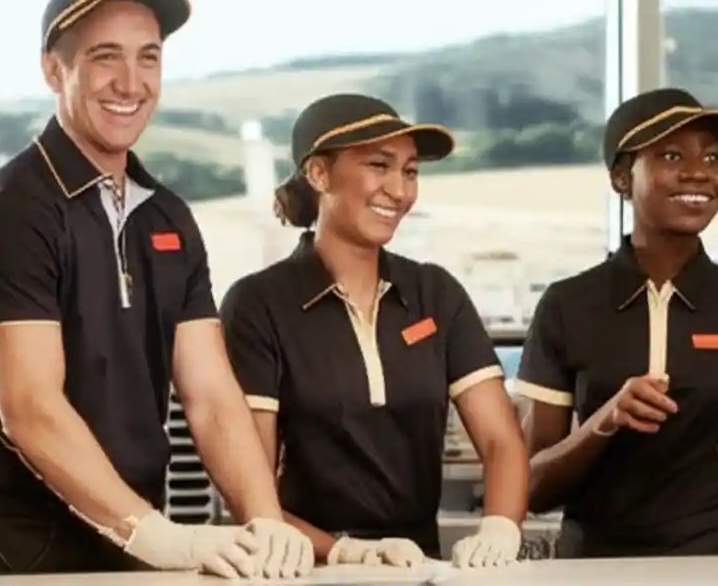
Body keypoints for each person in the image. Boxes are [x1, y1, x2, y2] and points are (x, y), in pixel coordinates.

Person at [0, 0, 313, 579]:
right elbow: (32, 407)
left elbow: (213, 397)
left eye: (149, 58)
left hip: (138, 547)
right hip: (31, 555)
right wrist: (153, 535)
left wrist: (265, 521)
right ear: (54, 71)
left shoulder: (166, 215)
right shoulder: (10, 211)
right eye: (104, 58)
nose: (130, 83)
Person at [221, 93, 530, 569]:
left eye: (409, 171)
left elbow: (501, 441)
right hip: (303, 568)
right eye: (378, 165)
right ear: (318, 174)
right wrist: (346, 552)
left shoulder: (436, 294)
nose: (399, 191)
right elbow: (249, 490)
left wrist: (501, 526)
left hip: (421, 569)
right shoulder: (259, 305)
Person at [516, 87, 718, 558]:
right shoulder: (568, 305)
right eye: (672, 155)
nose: (700, 172)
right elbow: (530, 487)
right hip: (595, 567)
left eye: (713, 158)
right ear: (620, 177)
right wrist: (605, 421)